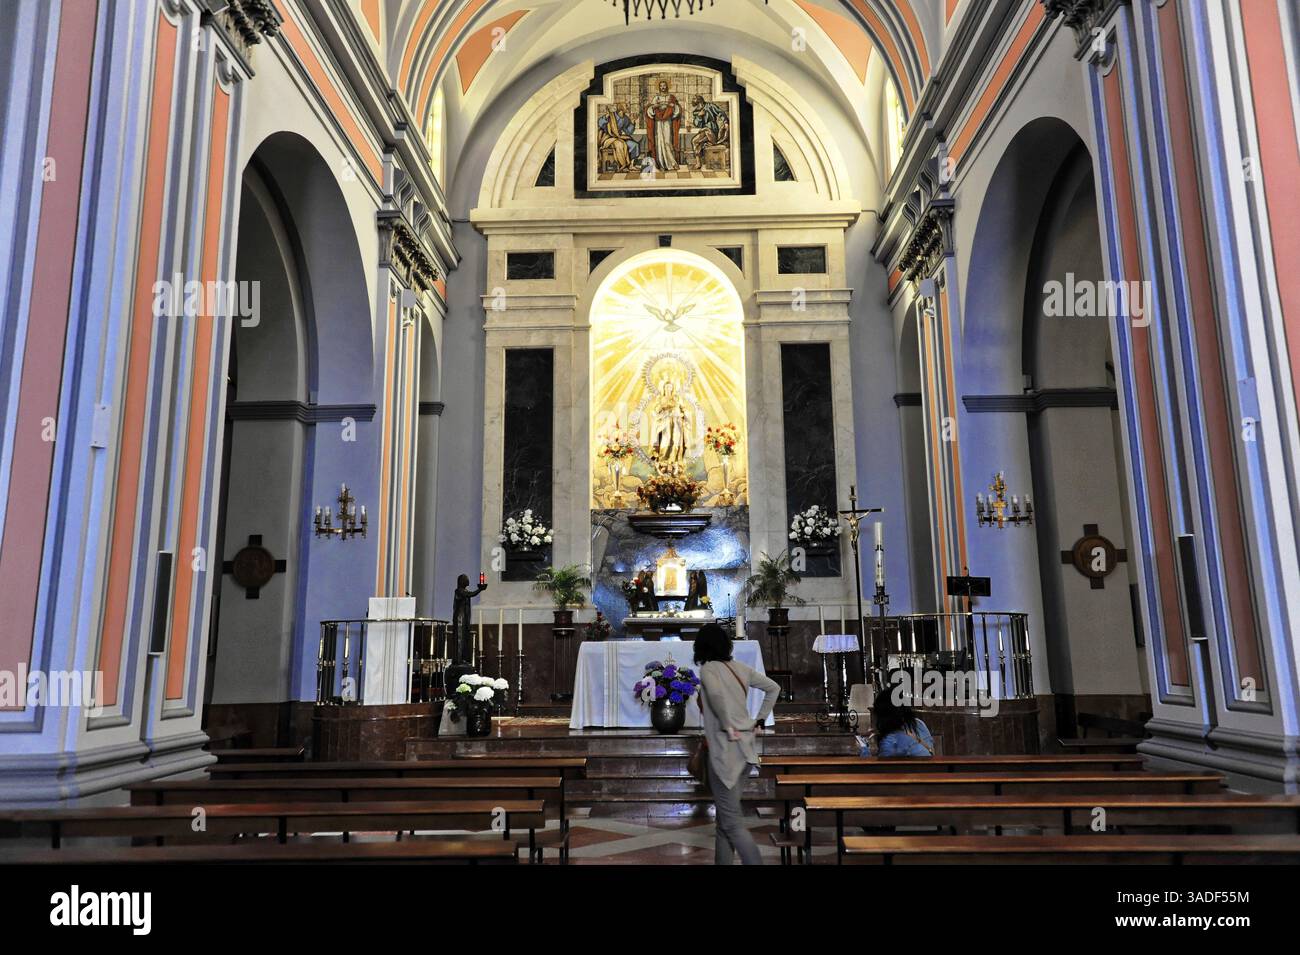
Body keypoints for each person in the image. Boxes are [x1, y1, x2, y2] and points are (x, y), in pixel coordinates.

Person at [694, 622, 780, 864]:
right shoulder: (740, 668)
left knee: (731, 822)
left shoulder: (709, 669)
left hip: (724, 751)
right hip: (746, 750)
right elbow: (774, 688)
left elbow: (716, 695)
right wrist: (760, 719)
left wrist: (727, 723)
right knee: (724, 822)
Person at [859, 689, 934, 757]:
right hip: (932, 770)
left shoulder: (890, 741)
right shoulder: (919, 723)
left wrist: (864, 748)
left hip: (910, 771)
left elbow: (880, 769)